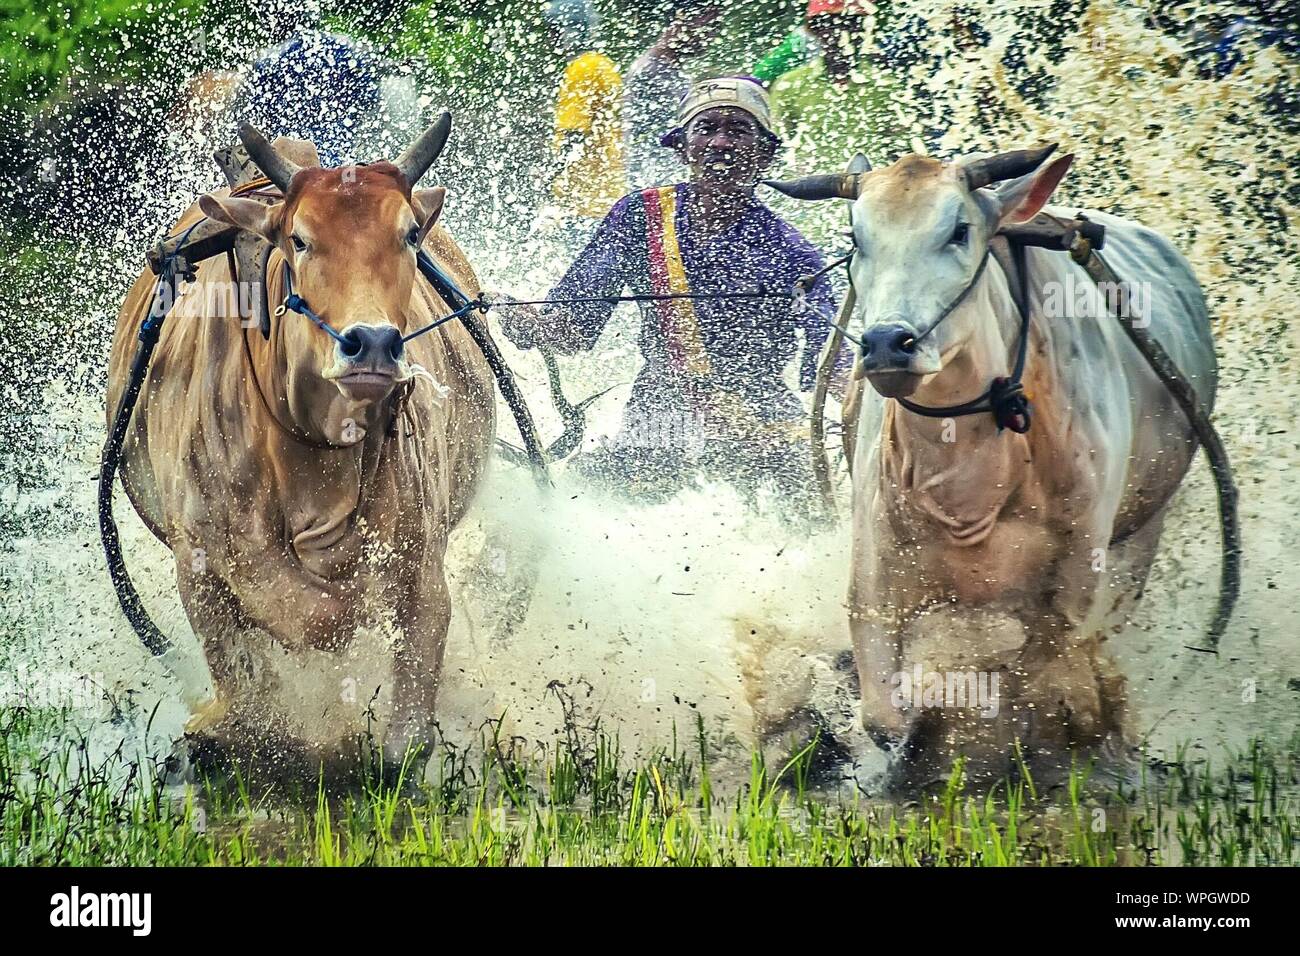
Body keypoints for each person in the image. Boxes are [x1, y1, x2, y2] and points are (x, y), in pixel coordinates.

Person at [499, 77, 849, 513]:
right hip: (660, 418)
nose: (721, 142)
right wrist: (524, 320)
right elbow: (572, 328)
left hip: (764, 433)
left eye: (739, 131)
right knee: (566, 509)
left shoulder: (793, 253)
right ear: (683, 147)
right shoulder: (640, 216)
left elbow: (834, 365)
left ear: (765, 153)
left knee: (814, 519)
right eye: (706, 129)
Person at [768, 0, 910, 245]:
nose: (840, 32)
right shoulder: (789, 86)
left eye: (850, 23)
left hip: (877, 216)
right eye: (829, 24)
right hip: (812, 219)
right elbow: (774, 154)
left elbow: (905, 158)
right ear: (816, 30)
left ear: (863, 28)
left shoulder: (886, 86)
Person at [544, 0, 626, 227]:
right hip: (606, 196)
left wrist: (549, 184)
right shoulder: (603, 65)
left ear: (567, 30)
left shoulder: (582, 69)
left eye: (553, 30)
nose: (550, 38)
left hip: (582, 205)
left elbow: (574, 136)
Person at [623, 3, 722, 190]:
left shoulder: (667, 70)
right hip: (657, 187)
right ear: (681, 19)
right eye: (710, 26)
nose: (712, 36)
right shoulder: (652, 72)